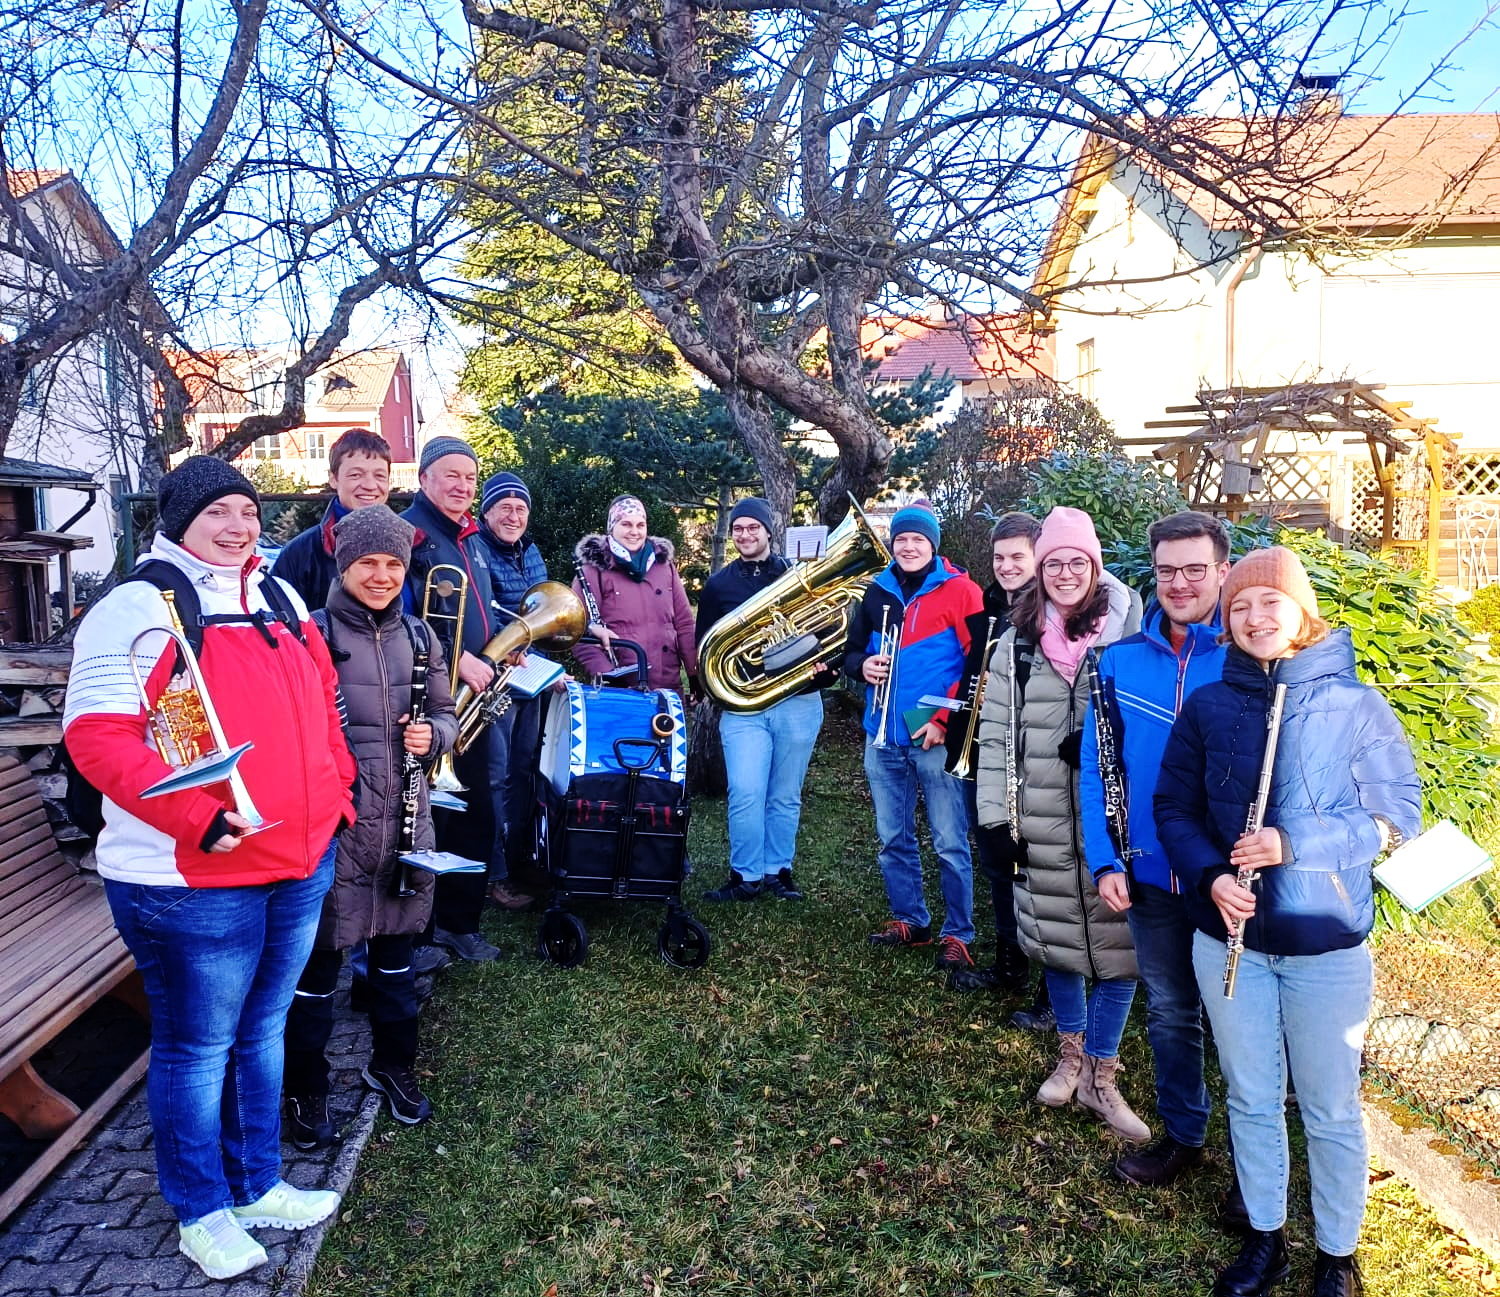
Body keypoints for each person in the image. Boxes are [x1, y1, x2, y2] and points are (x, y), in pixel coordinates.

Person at [63, 457, 355, 1281]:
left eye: (247, 510)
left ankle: (257, 1181)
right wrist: (196, 816)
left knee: (261, 1032)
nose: (238, 525)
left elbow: (322, 701)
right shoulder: (139, 608)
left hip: (298, 861)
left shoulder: (278, 595)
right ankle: (201, 1206)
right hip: (191, 878)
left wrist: (338, 796)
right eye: (218, 511)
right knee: (197, 1048)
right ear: (179, 519)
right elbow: (97, 736)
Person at [1155, 547, 1421, 1297]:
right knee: (1250, 1094)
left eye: (1270, 602)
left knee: (1332, 1106)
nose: (1253, 617)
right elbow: (1173, 807)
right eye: (1239, 606)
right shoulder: (1208, 704)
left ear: (1303, 611)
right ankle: (1265, 1239)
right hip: (1230, 939)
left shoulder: (1359, 706)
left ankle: (1337, 1255)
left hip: (1324, 945)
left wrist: (1293, 843)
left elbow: (1396, 818)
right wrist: (1211, 878)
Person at [282, 506, 458, 1144]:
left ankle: (392, 1068)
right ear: (342, 564)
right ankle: (305, 1089)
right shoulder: (310, 633)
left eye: (392, 564)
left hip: (407, 828)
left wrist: (433, 732)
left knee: (395, 966)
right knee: (318, 976)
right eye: (367, 563)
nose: (381, 575)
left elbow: (448, 715)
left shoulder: (421, 638)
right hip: (336, 830)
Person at [975, 506, 1148, 1141]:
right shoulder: (1014, 644)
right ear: (1041, 571)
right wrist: (993, 818)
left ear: (1096, 567)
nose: (1067, 573)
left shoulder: (1132, 634)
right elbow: (993, 738)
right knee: (1055, 935)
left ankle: (1103, 1070)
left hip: (1116, 818)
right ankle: (1071, 1053)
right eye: (1055, 564)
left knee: (1118, 943)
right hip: (1041, 813)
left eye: (1079, 562)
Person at [1079, 511, 1234, 1190]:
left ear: (1223, 571)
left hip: (1226, 877)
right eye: (1167, 569)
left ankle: (1252, 1165)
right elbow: (1096, 764)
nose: (1179, 582)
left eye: (1195, 569)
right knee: (1171, 1011)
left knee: (1243, 1025)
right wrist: (1106, 857)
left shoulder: (1248, 656)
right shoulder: (1118, 661)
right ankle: (1186, 1135)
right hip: (1147, 871)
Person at [842, 504, 982, 977]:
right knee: (892, 836)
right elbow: (851, 650)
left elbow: (977, 665)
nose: (908, 546)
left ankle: (958, 934)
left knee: (949, 840)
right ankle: (911, 919)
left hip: (932, 732)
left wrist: (944, 717)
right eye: (901, 539)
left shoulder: (962, 591)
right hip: (882, 731)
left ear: (933, 544)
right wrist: (861, 665)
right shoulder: (876, 591)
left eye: (918, 539)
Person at [695, 496, 828, 903]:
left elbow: (825, 628)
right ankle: (745, 875)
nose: (745, 534)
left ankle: (778, 871)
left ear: (769, 530)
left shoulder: (799, 574)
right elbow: (704, 647)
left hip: (798, 699)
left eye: (753, 527)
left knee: (785, 793)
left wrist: (828, 666)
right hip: (744, 704)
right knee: (746, 791)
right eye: (738, 528)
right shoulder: (719, 585)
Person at [401, 436, 503, 963]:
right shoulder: (412, 536)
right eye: (451, 476)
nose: (463, 486)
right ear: (424, 479)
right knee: (420, 818)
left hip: (471, 700)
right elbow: (398, 615)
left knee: (475, 812)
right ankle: (415, 934)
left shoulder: (472, 538)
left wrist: (506, 646)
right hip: (427, 701)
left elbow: (481, 609)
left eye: (469, 477)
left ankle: (459, 925)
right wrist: (458, 656)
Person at [945, 512, 1040, 995]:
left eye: (1017, 557)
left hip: (1028, 759)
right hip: (980, 754)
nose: (1006, 567)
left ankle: (1051, 984)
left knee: (1039, 872)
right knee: (998, 864)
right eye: (999, 557)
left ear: (1038, 557)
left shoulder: (1048, 615)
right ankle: (1010, 966)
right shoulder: (988, 610)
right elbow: (971, 680)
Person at [473, 470, 549, 910]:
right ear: (487, 513)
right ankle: (494, 876)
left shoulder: (531, 551)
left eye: (521, 508)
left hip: (530, 678)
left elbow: (541, 614)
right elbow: (489, 614)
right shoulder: (479, 549)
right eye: (504, 507)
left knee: (524, 773)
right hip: (497, 681)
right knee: (496, 777)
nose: (514, 515)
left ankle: (520, 862)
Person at [572, 494, 699, 696]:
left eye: (641, 525)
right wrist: (608, 677)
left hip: (667, 685)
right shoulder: (593, 569)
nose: (634, 532)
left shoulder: (664, 566)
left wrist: (694, 674)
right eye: (626, 524)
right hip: (621, 689)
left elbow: (684, 624)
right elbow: (578, 633)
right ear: (612, 527)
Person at [271, 428, 393, 611]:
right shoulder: (300, 554)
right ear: (334, 479)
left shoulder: (413, 544)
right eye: (355, 475)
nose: (369, 485)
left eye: (379, 476)